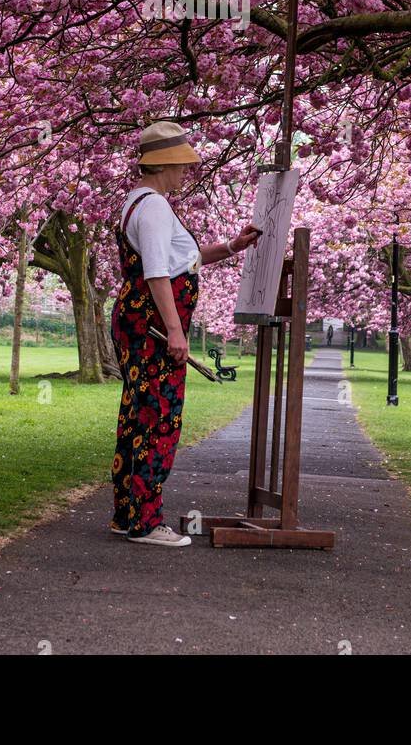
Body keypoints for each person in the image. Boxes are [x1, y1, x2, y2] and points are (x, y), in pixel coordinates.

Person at [110, 120, 260, 548]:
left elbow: (180, 261)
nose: (186, 173)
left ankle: (127, 515)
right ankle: (145, 522)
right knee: (158, 419)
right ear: (166, 164)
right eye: (182, 165)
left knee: (138, 414)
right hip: (153, 327)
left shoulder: (139, 202)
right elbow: (158, 274)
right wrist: (176, 333)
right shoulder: (154, 206)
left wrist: (231, 246)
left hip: (140, 323)